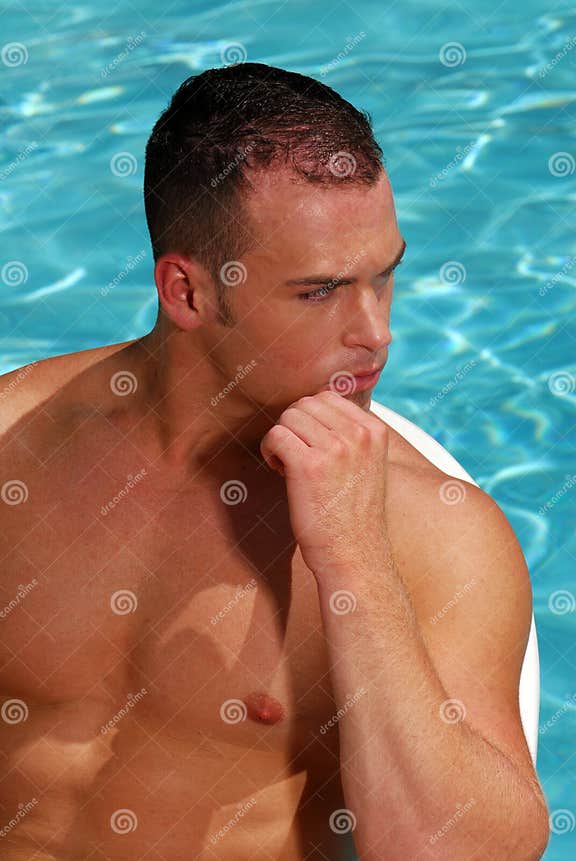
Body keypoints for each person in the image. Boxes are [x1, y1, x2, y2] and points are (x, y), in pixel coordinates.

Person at [0, 63, 549, 860]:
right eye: (320, 291)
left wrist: (353, 561)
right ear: (187, 293)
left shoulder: (434, 534)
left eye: (384, 277)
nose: (375, 334)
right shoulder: (16, 442)